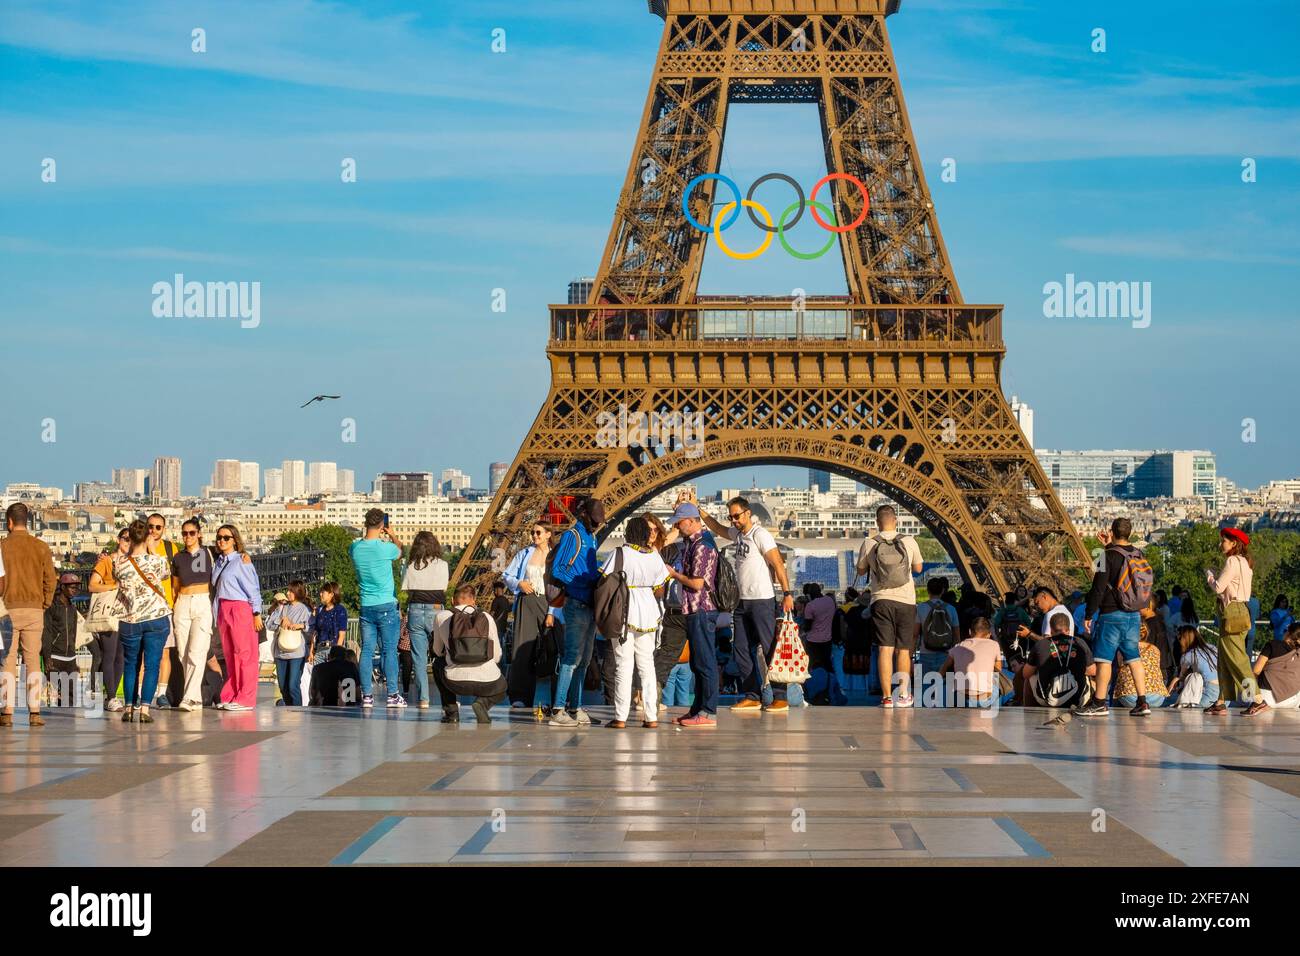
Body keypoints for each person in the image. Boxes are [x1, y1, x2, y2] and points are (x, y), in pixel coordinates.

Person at [695, 495, 795, 714]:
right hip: (741, 601)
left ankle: (780, 696)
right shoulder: (738, 534)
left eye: (737, 516)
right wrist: (699, 509)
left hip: (762, 600)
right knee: (740, 649)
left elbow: (778, 563)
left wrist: (787, 593)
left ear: (748, 513)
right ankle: (752, 695)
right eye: (731, 517)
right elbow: (718, 528)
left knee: (769, 648)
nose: (734, 521)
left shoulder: (760, 534)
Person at [1077, 519, 1151, 717]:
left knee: (1104, 660)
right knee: (1134, 659)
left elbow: (1098, 588)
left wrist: (1089, 613)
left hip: (1111, 615)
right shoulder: (1138, 554)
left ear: (1112, 531)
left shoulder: (1105, 556)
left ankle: (1099, 702)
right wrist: (1109, 545)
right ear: (1130, 533)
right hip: (1133, 615)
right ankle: (1142, 702)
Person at [601, 516, 669, 729]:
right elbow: (660, 589)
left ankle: (620, 716)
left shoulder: (619, 553)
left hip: (623, 611)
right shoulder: (655, 557)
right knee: (647, 666)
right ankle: (651, 716)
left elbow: (603, 578)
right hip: (648, 612)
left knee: (623, 665)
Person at [854, 505, 923, 707]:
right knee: (903, 650)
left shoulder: (869, 543)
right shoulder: (908, 541)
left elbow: (860, 572)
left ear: (877, 522)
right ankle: (902, 694)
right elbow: (918, 568)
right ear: (897, 520)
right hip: (906, 601)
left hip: (881, 599)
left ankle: (886, 697)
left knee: (885, 649)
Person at [548, 497, 605, 727]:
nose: (598, 524)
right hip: (576, 603)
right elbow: (559, 569)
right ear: (584, 516)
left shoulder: (591, 537)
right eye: (595, 520)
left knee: (583, 660)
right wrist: (582, 583)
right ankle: (558, 709)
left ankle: (575, 707)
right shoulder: (573, 536)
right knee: (572, 658)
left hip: (589, 605)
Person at [0, 503, 57, 727]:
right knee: (33, 660)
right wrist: (45, 602)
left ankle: (7, 712)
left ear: (10, 522)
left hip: (7, 609)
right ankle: (35, 712)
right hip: (34, 609)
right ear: (28, 521)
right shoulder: (41, 547)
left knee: (7, 661)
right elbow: (50, 580)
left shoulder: (2, 546)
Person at [666, 501, 721, 728]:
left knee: (705, 662)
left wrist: (674, 575)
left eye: (679, 523)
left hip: (701, 609)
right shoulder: (692, 542)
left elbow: (698, 583)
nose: (677, 527)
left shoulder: (702, 546)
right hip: (693, 609)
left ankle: (708, 712)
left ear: (691, 521)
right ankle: (698, 709)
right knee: (698, 663)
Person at [114, 518, 173, 723]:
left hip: (130, 620)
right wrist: (153, 550)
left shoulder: (120, 564)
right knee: (152, 665)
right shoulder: (157, 561)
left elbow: (117, 579)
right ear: (147, 537)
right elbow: (166, 575)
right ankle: (145, 710)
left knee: (131, 665)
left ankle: (129, 707)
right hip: (156, 618)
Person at [502, 522, 564, 711]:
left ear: (548, 534)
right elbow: (506, 575)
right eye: (532, 532)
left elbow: (561, 583)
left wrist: (552, 612)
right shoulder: (524, 554)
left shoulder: (556, 555)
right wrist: (519, 583)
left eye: (538, 532)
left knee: (554, 649)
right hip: (527, 602)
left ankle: (559, 698)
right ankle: (520, 696)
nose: (534, 536)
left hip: (550, 603)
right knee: (522, 649)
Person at [350, 508, 405, 709]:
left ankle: (367, 696)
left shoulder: (355, 548)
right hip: (387, 605)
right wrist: (392, 536)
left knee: (366, 651)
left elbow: (357, 545)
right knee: (389, 651)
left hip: (366, 606)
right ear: (382, 525)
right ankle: (392, 694)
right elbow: (400, 551)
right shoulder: (385, 548)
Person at [431, 584, 507, 724]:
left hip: (454, 682)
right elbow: (497, 655)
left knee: (438, 664)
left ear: (453, 601)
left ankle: (451, 713)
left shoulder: (441, 616)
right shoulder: (487, 618)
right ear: (474, 600)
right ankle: (483, 703)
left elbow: (437, 651)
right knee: (502, 685)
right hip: (487, 682)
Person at [211, 524, 264, 712]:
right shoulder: (218, 562)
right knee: (230, 656)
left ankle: (246, 697)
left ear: (235, 540)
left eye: (226, 537)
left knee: (245, 654)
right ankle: (231, 694)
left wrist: (256, 613)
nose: (222, 540)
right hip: (223, 609)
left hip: (240, 608)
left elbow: (253, 587)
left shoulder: (242, 561)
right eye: (219, 537)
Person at [1205, 527, 1254, 715]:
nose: (1220, 544)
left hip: (1231, 611)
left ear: (1234, 543)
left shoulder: (1232, 561)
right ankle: (1221, 700)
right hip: (1241, 609)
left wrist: (1209, 575)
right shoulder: (1245, 563)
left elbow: (1218, 588)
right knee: (1224, 660)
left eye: (1224, 541)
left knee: (1238, 659)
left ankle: (1255, 699)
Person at [170, 518, 216, 712]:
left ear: (199, 534)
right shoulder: (178, 558)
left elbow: (233, 549)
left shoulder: (210, 552)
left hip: (202, 601)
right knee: (183, 652)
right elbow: (175, 586)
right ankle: (194, 698)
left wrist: (245, 555)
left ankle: (188, 697)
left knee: (197, 652)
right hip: (183, 602)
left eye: (191, 533)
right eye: (184, 533)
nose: (187, 537)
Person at [400, 531, 447, 709]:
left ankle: (423, 699)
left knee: (418, 659)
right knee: (443, 654)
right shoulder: (442, 565)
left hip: (415, 609)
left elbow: (406, 587)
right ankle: (447, 696)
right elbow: (443, 587)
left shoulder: (410, 565)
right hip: (436, 609)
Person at [87, 528, 130, 713]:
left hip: (125, 613)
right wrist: (115, 585)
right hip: (108, 612)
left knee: (121, 656)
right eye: (125, 539)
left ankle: (111, 695)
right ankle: (112, 696)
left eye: (132, 539)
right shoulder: (107, 561)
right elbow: (92, 585)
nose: (128, 542)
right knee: (110, 654)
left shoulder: (132, 561)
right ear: (118, 540)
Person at [144, 514, 180, 708]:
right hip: (144, 606)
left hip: (165, 606)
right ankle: (144, 694)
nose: (154, 530)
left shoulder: (170, 548)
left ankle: (162, 693)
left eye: (158, 527)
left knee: (164, 652)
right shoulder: (139, 546)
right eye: (151, 526)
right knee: (145, 654)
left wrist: (174, 600)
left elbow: (174, 576)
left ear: (163, 529)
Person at [1023, 612, 1095, 708]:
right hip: (1078, 699)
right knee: (1094, 679)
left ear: (1051, 630)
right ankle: (1093, 707)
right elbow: (1092, 671)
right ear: (1069, 630)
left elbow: (1026, 674)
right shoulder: (1080, 642)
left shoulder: (1041, 644)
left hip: (1046, 699)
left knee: (1029, 678)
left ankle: (1028, 712)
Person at [42, 573, 86, 707]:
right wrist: (47, 656)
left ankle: (67, 725)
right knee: (51, 697)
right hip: (55, 657)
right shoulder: (52, 607)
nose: (75, 590)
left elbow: (73, 633)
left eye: (77, 588)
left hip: (70, 659)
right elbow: (47, 632)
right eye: (72, 587)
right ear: (62, 587)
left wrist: (74, 659)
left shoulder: (73, 608)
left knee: (70, 699)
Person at [937, 616, 1000, 706]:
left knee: (945, 685)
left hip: (960, 699)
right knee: (1004, 684)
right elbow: (998, 671)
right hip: (985, 699)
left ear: (970, 631)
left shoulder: (958, 646)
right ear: (989, 634)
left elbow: (943, 670)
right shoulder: (994, 645)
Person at [267, 580, 311, 706]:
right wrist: (280, 620)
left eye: (291, 591)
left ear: (298, 592)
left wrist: (300, 625)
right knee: (283, 687)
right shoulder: (282, 608)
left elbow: (311, 628)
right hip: (280, 652)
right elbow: (269, 625)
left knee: (293, 686)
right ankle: (287, 710)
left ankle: (297, 711)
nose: (288, 593)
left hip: (297, 653)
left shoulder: (304, 610)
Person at [1112, 614, 1169, 709]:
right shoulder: (1155, 649)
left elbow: (1119, 669)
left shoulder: (1123, 649)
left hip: (1131, 697)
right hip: (1157, 697)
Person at [916, 576, 960, 696]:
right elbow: (957, 635)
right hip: (946, 654)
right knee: (944, 689)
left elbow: (915, 633)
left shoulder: (921, 608)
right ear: (942, 591)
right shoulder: (951, 609)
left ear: (928, 591)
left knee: (925, 689)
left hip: (926, 652)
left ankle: (926, 711)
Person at [1245, 622, 1300, 715]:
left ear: (1287, 633)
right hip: (1294, 701)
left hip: (1266, 699)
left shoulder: (1272, 645)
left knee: (1248, 680)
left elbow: (1256, 671)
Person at [1166, 625, 1219, 709]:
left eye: (1179, 639)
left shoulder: (1188, 655)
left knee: (1169, 701)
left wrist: (1173, 681)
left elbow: (1181, 676)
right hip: (1223, 699)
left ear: (1183, 639)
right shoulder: (1213, 648)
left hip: (1208, 697)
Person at [306, 582, 348, 665]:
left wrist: (337, 653)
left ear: (331, 594)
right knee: (319, 676)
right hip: (319, 650)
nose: (320, 594)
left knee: (332, 677)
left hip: (333, 649)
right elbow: (315, 632)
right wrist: (311, 651)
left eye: (323, 592)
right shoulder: (320, 610)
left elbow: (342, 634)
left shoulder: (340, 610)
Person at [801, 582, 838, 675]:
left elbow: (807, 626)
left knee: (813, 665)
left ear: (810, 594)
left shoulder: (810, 606)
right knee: (827, 663)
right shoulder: (830, 601)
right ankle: (830, 684)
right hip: (827, 639)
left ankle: (815, 686)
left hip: (813, 641)